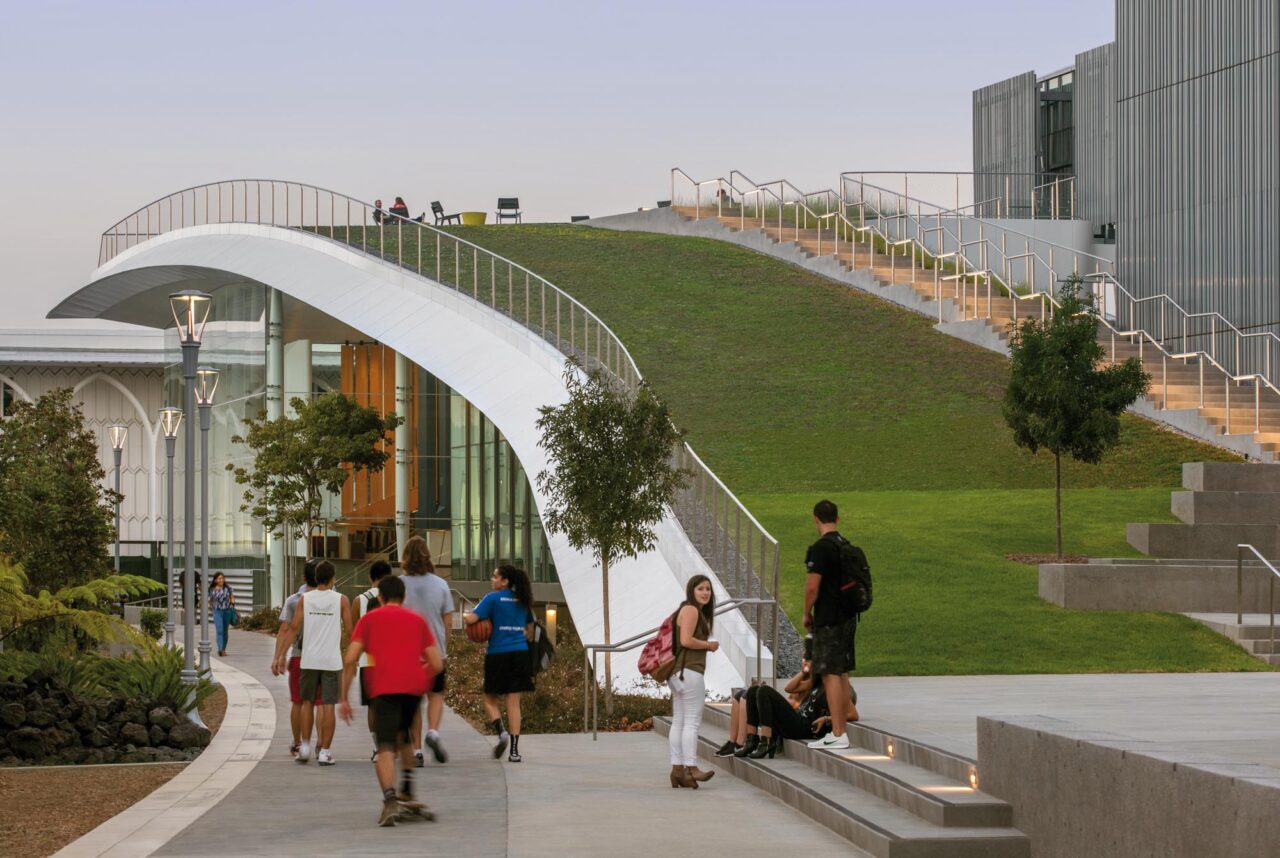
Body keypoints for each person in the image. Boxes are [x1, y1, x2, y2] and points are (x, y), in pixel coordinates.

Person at [339, 574, 443, 827]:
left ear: (380, 597)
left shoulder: (370, 620)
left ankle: (390, 799)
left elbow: (351, 659)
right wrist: (421, 679)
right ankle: (407, 785)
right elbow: (437, 663)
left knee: (385, 746)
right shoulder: (417, 621)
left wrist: (344, 697)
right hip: (412, 688)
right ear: (403, 597)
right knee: (404, 736)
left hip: (384, 688)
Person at [276, 559, 352, 765]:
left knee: (306, 702)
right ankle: (325, 751)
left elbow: (292, 628)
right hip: (331, 660)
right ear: (333, 578)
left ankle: (306, 746)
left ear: (316, 578)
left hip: (308, 659)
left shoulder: (304, 599)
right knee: (327, 705)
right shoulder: (342, 600)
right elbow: (349, 631)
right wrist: (348, 651)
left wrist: (282, 653)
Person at [803, 499, 862, 751]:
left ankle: (838, 732)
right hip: (849, 617)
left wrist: (807, 613)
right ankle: (839, 731)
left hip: (828, 619)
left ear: (815, 519)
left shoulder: (821, 549)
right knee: (842, 672)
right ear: (837, 519)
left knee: (829, 674)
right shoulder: (846, 546)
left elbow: (812, 586)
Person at [463, 565, 534, 762]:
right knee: (514, 703)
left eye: (495, 577)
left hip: (498, 654)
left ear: (505, 581)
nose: (492, 580)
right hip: (520, 653)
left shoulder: (492, 598)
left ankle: (500, 731)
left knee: (489, 699)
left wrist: (464, 615)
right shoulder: (524, 600)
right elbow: (529, 631)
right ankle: (514, 752)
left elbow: (472, 619)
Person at [399, 536, 454, 766]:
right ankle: (433, 731)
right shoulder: (441, 584)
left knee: (413, 703)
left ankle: (417, 750)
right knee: (436, 695)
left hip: (408, 654)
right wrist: (444, 646)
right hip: (435, 650)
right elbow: (448, 621)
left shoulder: (399, 584)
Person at [667, 575, 719, 789]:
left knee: (679, 720)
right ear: (691, 591)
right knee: (691, 722)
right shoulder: (691, 610)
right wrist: (709, 645)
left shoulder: (685, 609)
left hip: (679, 672)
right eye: (700, 589)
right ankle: (691, 767)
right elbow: (686, 640)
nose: (705, 593)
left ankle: (678, 770)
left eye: (708, 589)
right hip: (689, 671)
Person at [271, 559, 321, 758]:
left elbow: (285, 629)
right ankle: (322, 746)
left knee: (298, 701)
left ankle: (298, 743)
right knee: (322, 704)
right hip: (324, 658)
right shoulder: (335, 599)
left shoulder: (294, 600)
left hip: (299, 656)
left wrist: (279, 656)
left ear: (303, 577)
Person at [356, 559, 394, 762]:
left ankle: (378, 747)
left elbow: (355, 632)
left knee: (372, 706)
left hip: (367, 661)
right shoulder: (395, 599)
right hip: (390, 661)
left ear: (371, 578)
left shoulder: (360, 600)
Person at [208, 572, 237, 657]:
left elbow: (232, 597)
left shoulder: (228, 588)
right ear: (215, 580)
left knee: (225, 631)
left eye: (222, 578)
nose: (222, 580)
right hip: (217, 611)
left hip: (227, 611)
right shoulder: (212, 589)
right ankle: (220, 649)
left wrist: (232, 604)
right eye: (219, 578)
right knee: (219, 630)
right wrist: (211, 607)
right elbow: (211, 600)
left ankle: (223, 649)